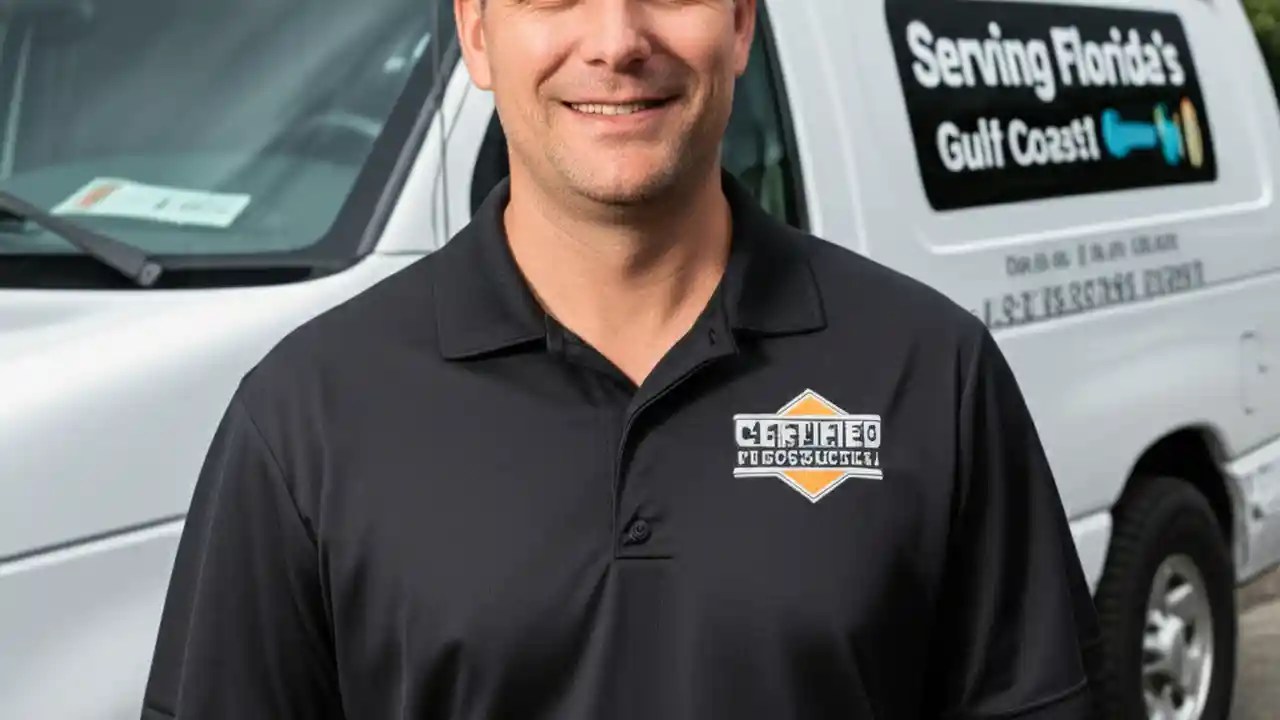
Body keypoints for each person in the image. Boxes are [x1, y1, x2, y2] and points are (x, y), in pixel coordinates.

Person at [141, 0, 1102, 718]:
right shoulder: (307, 416)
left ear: (739, 23)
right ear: (476, 32)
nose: (616, 39)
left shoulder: (930, 371)